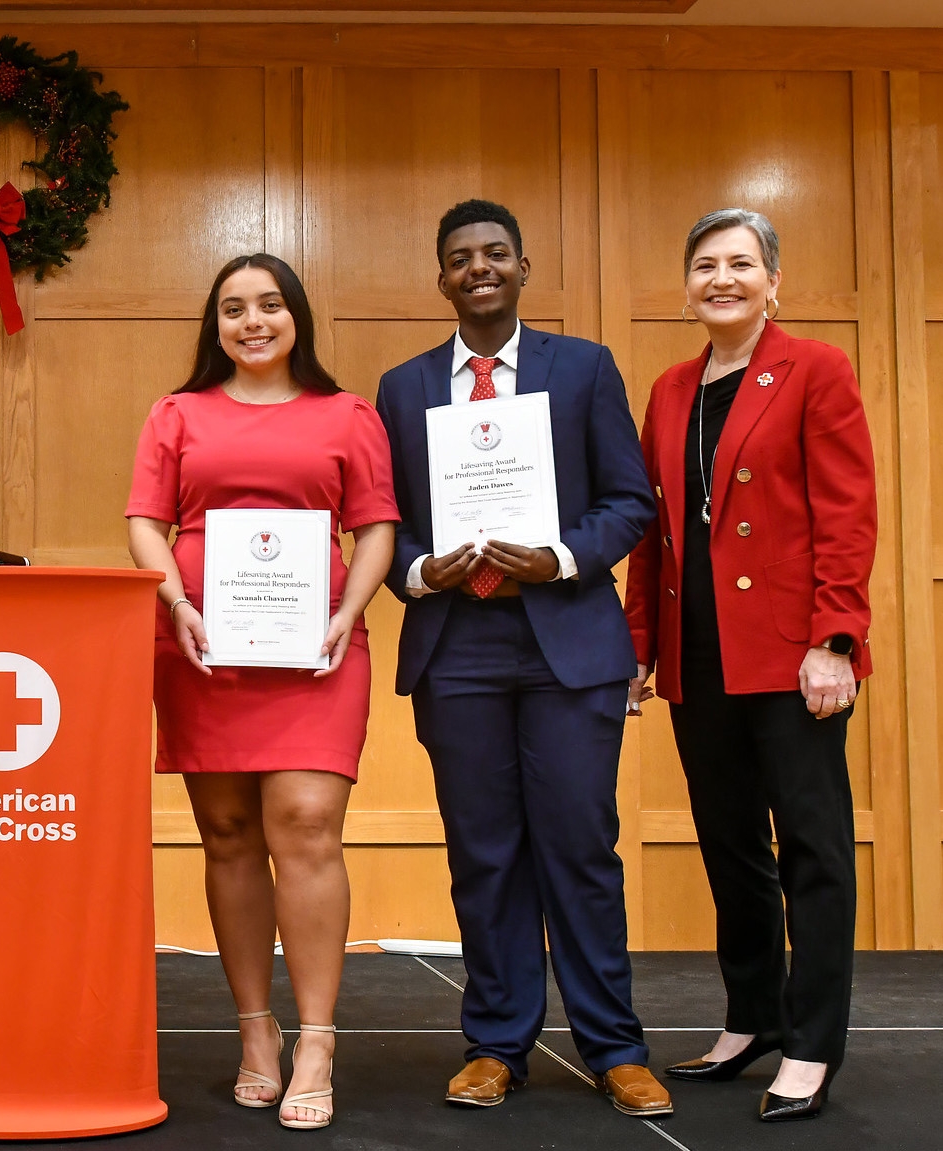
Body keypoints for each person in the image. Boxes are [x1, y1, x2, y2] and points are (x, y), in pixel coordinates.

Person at [374, 200, 669, 1118]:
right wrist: (424, 568)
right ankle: (497, 1043)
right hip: (456, 643)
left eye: (494, 253)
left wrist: (562, 556)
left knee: (580, 845)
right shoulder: (403, 386)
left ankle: (613, 1045)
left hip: (568, 640)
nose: (479, 268)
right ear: (441, 279)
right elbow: (386, 527)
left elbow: (629, 499)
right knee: (485, 851)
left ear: (523, 266)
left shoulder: (581, 369)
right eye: (460, 258)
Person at [126, 253, 398, 1131]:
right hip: (204, 648)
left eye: (269, 305)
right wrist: (176, 602)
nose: (252, 321)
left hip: (315, 651)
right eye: (234, 308)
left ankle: (316, 1036)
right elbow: (145, 521)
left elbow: (376, 528)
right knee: (230, 832)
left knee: (307, 824)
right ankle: (255, 1032)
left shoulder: (346, 414)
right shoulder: (177, 413)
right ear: (214, 325)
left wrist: (343, 613)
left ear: (296, 318)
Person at [624, 209, 875, 1123]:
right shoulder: (668, 389)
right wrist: (637, 646)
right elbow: (655, 534)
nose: (720, 278)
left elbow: (846, 511)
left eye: (740, 263)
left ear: (774, 281)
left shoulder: (816, 370)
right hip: (696, 652)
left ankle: (809, 1043)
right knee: (729, 843)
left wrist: (833, 636)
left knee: (812, 848)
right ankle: (752, 1016)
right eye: (704, 265)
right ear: (686, 284)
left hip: (790, 648)